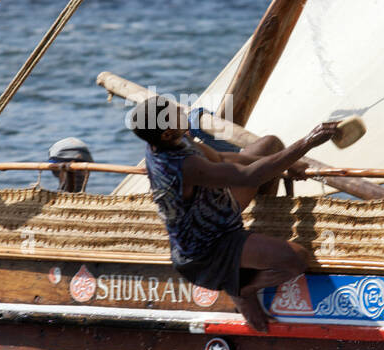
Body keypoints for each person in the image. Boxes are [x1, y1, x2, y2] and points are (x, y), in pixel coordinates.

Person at [128, 95, 338, 331]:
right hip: (208, 250)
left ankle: (253, 250)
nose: (180, 110)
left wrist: (287, 162)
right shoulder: (180, 166)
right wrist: (307, 143)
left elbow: (222, 158)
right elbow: (249, 177)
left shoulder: (173, 139)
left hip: (219, 211)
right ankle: (240, 288)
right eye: (174, 113)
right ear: (166, 133)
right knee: (297, 259)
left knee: (270, 145)